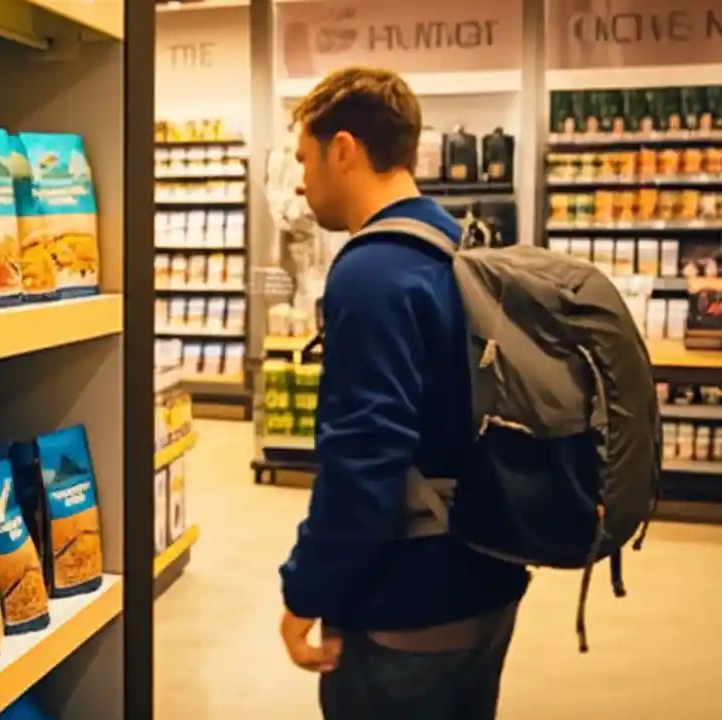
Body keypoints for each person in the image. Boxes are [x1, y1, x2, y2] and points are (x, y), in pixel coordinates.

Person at [276, 67, 530, 719]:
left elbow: (364, 460)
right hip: (484, 582)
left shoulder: (371, 273)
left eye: (304, 158)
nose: (300, 182)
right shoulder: (456, 243)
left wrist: (305, 591)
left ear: (344, 149)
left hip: (407, 613)